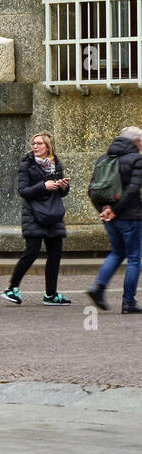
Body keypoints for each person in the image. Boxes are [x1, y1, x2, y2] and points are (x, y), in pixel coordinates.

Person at [3, 132, 72, 306]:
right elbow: (23, 191)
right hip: (34, 214)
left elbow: (61, 193)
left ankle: (51, 294)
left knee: (55, 254)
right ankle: (12, 288)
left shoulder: (56, 164)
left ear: (47, 146)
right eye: (33, 143)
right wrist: (44, 186)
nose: (35, 146)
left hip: (53, 213)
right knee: (31, 252)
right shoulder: (27, 165)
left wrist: (64, 187)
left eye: (39, 143)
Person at [86, 126, 142, 314]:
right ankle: (128, 302)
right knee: (134, 257)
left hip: (109, 217)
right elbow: (133, 189)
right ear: (135, 142)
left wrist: (104, 211)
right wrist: (115, 210)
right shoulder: (136, 159)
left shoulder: (104, 159)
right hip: (130, 216)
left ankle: (98, 287)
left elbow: (93, 189)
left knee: (117, 252)